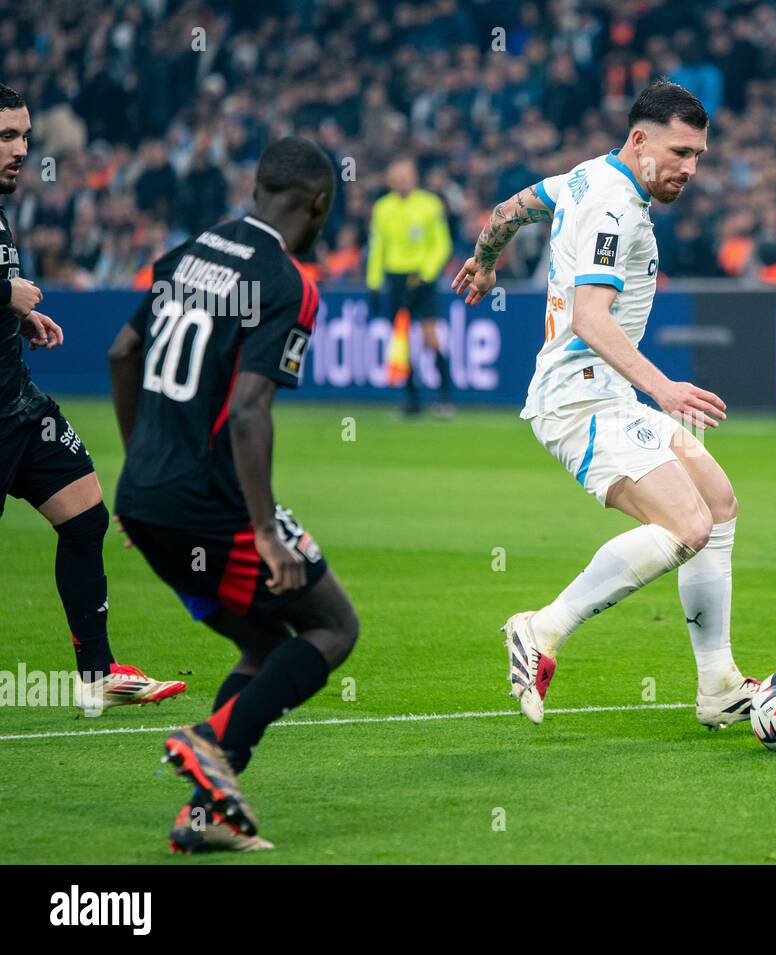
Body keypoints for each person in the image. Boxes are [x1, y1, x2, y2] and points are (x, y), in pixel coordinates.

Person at [452, 80, 757, 730]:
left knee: (719, 502)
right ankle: (541, 628)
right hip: (581, 397)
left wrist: (483, 262)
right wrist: (664, 388)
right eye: (680, 152)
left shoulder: (586, 177)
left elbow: (510, 208)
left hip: (602, 392)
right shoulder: (614, 207)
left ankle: (719, 686)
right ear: (640, 139)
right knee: (688, 526)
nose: (691, 169)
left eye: (699, 155)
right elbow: (591, 317)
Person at [108, 136, 359, 853]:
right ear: (317, 203)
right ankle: (209, 738)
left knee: (262, 641)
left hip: (146, 496)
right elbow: (250, 409)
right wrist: (265, 531)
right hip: (211, 505)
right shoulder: (288, 280)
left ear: (255, 189)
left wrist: (144, 469)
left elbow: (120, 353)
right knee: (333, 626)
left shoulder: (185, 254)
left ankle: (206, 811)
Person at [0, 84, 186, 714]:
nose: (21, 149)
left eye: (24, 136)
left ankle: (96, 674)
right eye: (6, 137)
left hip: (18, 408)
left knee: (84, 515)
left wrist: (18, 319)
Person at [367, 158, 455, 416]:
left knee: (430, 338)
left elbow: (442, 245)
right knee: (401, 341)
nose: (402, 180)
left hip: (421, 278)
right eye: (397, 176)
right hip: (395, 279)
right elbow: (377, 248)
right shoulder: (382, 208)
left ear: (414, 177)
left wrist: (426, 274)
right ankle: (412, 400)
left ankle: (445, 397)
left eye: (406, 175)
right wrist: (373, 284)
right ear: (389, 179)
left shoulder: (429, 204)